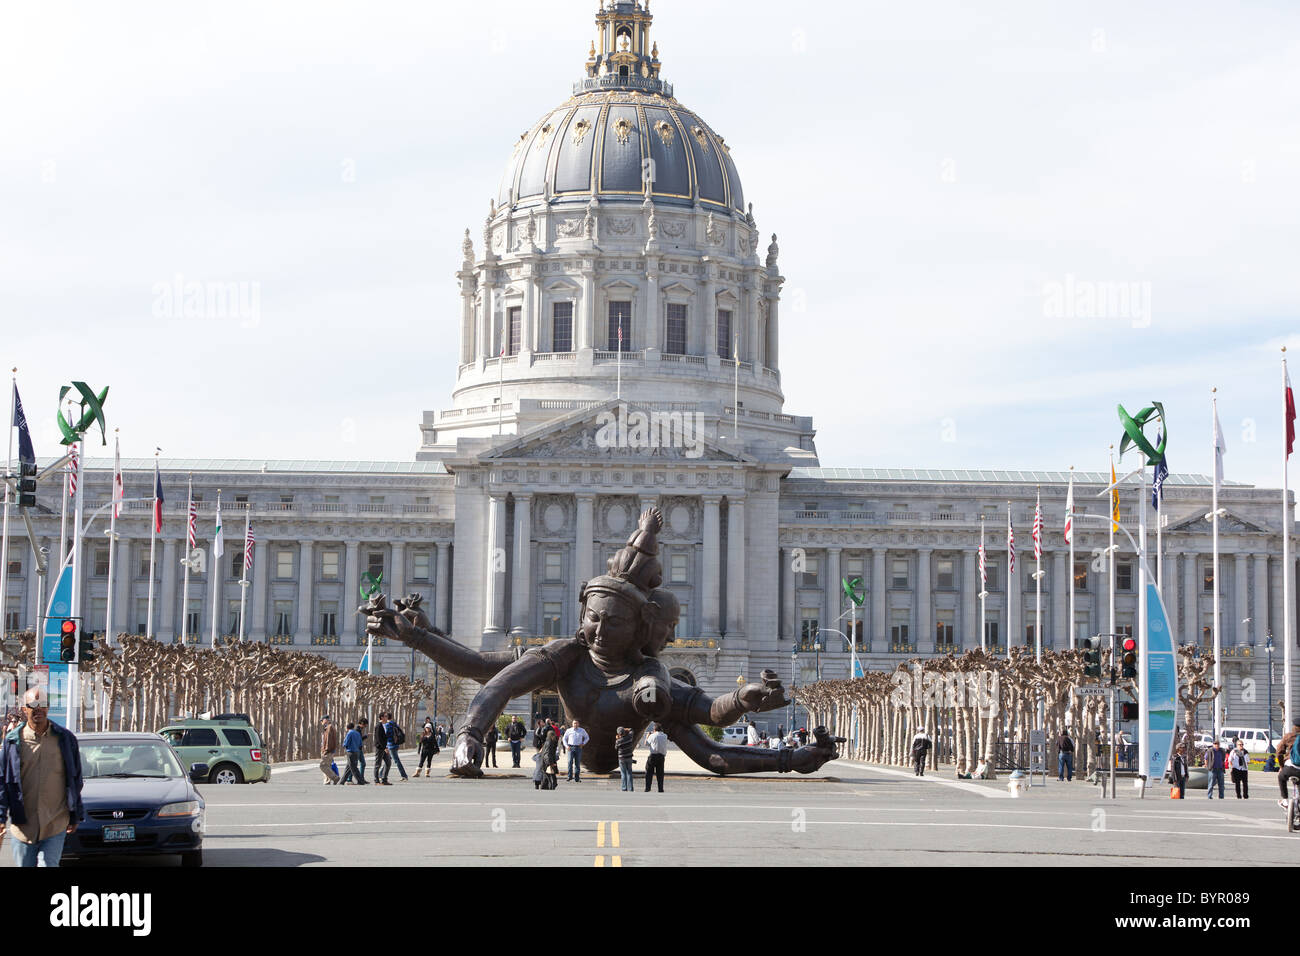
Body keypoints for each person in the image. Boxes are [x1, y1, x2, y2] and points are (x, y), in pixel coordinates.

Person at [0, 687, 85, 867]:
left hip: (55, 822)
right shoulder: (13, 741)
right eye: (33, 705)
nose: (38, 708)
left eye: (43, 704)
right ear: (24, 709)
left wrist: (75, 814)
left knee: (48, 865)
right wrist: (1, 817)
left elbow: (75, 778)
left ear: (48, 708)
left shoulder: (65, 739)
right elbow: (2, 781)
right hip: (23, 827)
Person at [1276, 719, 1300, 809]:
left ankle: (1285, 800)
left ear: (1294, 727)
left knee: (1281, 777)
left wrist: (1281, 766)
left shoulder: (1289, 736)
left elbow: (1279, 751)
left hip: (1290, 767)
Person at [383, 712, 409, 782]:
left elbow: (386, 735)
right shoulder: (394, 724)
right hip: (396, 744)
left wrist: (385, 746)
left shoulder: (387, 725)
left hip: (390, 745)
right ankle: (381, 774)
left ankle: (404, 775)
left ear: (386, 717)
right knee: (387, 760)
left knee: (396, 761)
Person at [644, 722, 668, 792]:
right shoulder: (665, 736)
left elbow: (646, 744)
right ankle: (660, 789)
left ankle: (648, 788)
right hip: (661, 756)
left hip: (653, 756)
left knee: (649, 772)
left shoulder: (652, 735)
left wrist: (647, 736)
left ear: (654, 729)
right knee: (660, 773)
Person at [319, 715, 340, 785]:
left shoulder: (329, 727)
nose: (321, 722)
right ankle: (327, 781)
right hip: (330, 750)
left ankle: (334, 777)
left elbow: (328, 740)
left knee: (322, 765)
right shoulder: (329, 727)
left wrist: (326, 750)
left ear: (326, 720)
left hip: (328, 750)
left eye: (322, 720)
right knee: (327, 766)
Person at [615, 726, 635, 792]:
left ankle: (624, 788)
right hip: (629, 757)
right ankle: (631, 788)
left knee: (623, 773)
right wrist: (626, 729)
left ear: (619, 734)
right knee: (629, 773)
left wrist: (617, 739)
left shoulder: (618, 741)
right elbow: (632, 730)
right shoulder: (629, 737)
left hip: (621, 758)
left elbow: (616, 748)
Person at [373, 713, 392, 785]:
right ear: (382, 717)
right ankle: (376, 780)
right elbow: (379, 738)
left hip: (385, 747)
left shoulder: (385, 726)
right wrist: (384, 748)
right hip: (380, 748)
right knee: (378, 764)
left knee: (388, 763)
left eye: (387, 716)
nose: (387, 717)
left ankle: (384, 779)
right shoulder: (378, 726)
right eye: (386, 716)